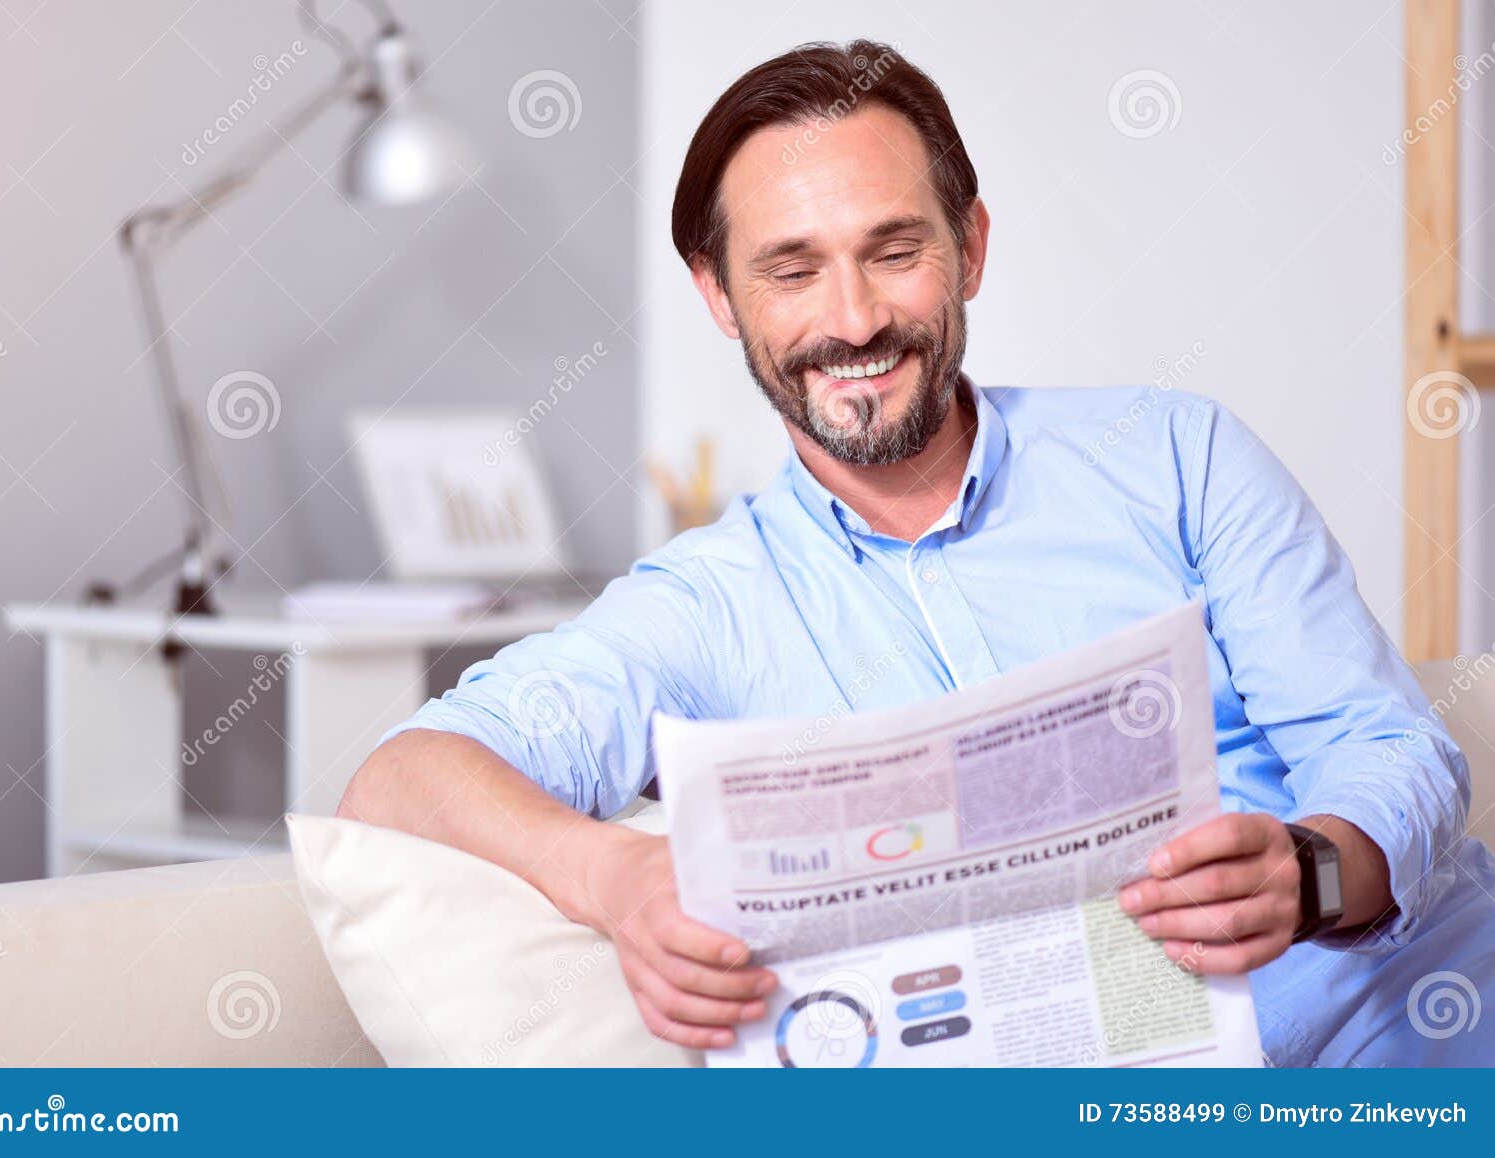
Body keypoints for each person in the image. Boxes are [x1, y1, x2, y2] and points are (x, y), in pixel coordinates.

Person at [340, 40, 1494, 1065]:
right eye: (790, 271)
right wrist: (616, 877)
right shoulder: (704, 606)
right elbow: (400, 779)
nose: (850, 321)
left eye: (893, 252)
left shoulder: (1175, 456)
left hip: (1405, 1031)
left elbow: (1385, 743)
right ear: (718, 297)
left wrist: (1314, 870)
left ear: (970, 248)